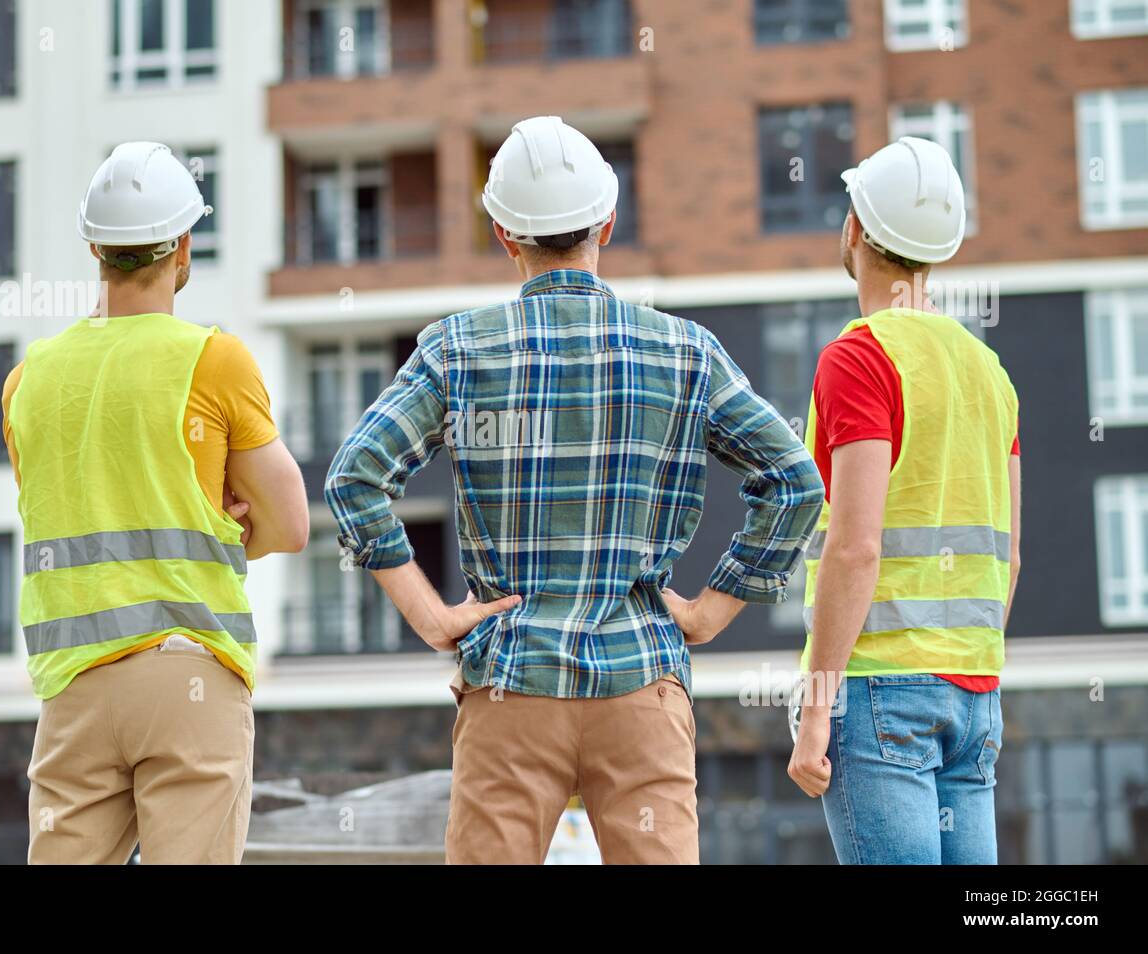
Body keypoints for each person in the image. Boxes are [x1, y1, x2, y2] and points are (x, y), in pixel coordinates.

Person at [325, 116, 824, 864]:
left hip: (510, 687)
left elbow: (353, 478)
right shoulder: (685, 350)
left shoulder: (457, 349)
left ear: (503, 233)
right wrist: (714, 608)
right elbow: (794, 480)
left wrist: (430, 615)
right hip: (643, 685)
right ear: (608, 223)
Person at [3, 142, 308, 864]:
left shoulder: (27, 381)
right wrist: (224, 526)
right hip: (188, 671)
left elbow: (76, 514)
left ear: (94, 249)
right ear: (183, 247)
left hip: (73, 685)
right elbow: (290, 525)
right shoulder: (214, 358)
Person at [787, 137, 1022, 865]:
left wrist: (817, 705)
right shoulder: (991, 372)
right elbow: (1008, 557)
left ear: (853, 230)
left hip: (880, 691)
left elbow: (855, 546)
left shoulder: (859, 359)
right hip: (975, 693)